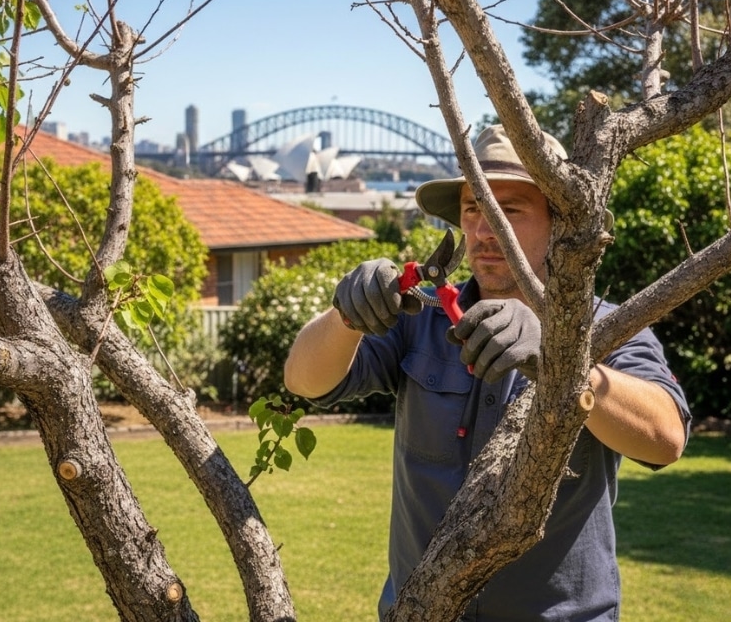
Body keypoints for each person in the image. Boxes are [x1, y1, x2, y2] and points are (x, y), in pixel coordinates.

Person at [284, 125, 691, 622]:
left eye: (508, 211)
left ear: (561, 222)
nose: (483, 230)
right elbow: (305, 381)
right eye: (474, 209)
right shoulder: (423, 316)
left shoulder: (605, 327)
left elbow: (665, 437)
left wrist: (560, 360)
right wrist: (345, 316)